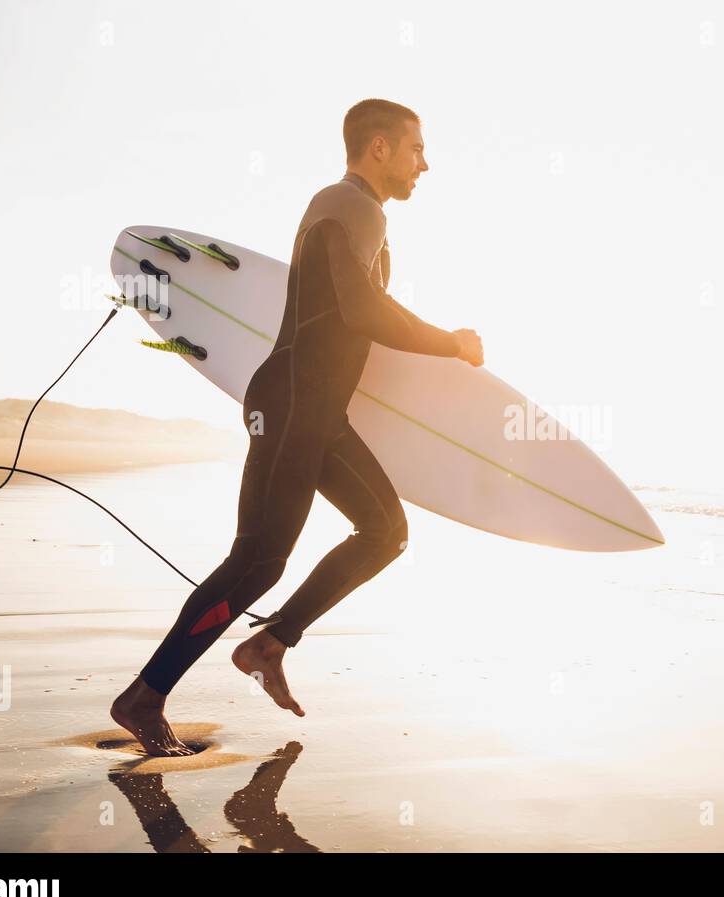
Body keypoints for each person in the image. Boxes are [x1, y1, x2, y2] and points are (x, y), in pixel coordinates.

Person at [111, 99, 484, 757]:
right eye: (416, 148)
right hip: (294, 406)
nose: (425, 162)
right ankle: (146, 697)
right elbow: (361, 308)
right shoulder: (351, 206)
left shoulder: (352, 214)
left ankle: (269, 642)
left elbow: (352, 311)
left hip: (314, 411)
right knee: (257, 563)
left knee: (383, 532)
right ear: (378, 148)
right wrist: (448, 343)